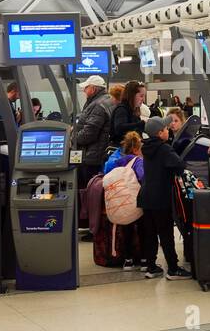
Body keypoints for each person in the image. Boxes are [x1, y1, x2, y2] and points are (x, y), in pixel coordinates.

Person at [138, 116, 193, 280]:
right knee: (166, 233)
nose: (168, 130)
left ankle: (151, 267)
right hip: (161, 197)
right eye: (166, 129)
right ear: (160, 132)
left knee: (150, 233)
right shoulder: (164, 149)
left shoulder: (146, 147)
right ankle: (173, 269)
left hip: (146, 196)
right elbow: (180, 165)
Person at [98, 131, 144, 269]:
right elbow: (142, 178)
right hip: (136, 204)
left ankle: (128, 260)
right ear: (136, 149)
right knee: (142, 230)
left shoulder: (117, 162)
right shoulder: (138, 162)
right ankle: (142, 260)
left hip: (121, 204)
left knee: (126, 231)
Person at [73, 74, 115, 190]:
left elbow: (89, 133)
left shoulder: (97, 105)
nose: (84, 90)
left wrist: (72, 138)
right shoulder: (105, 101)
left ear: (94, 89)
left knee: (87, 190)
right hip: (98, 154)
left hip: (92, 157)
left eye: (86, 88)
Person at [110, 81, 145, 145]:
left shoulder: (134, 110)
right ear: (132, 95)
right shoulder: (122, 109)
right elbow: (119, 129)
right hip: (121, 149)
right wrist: (141, 124)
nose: (143, 99)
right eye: (141, 96)